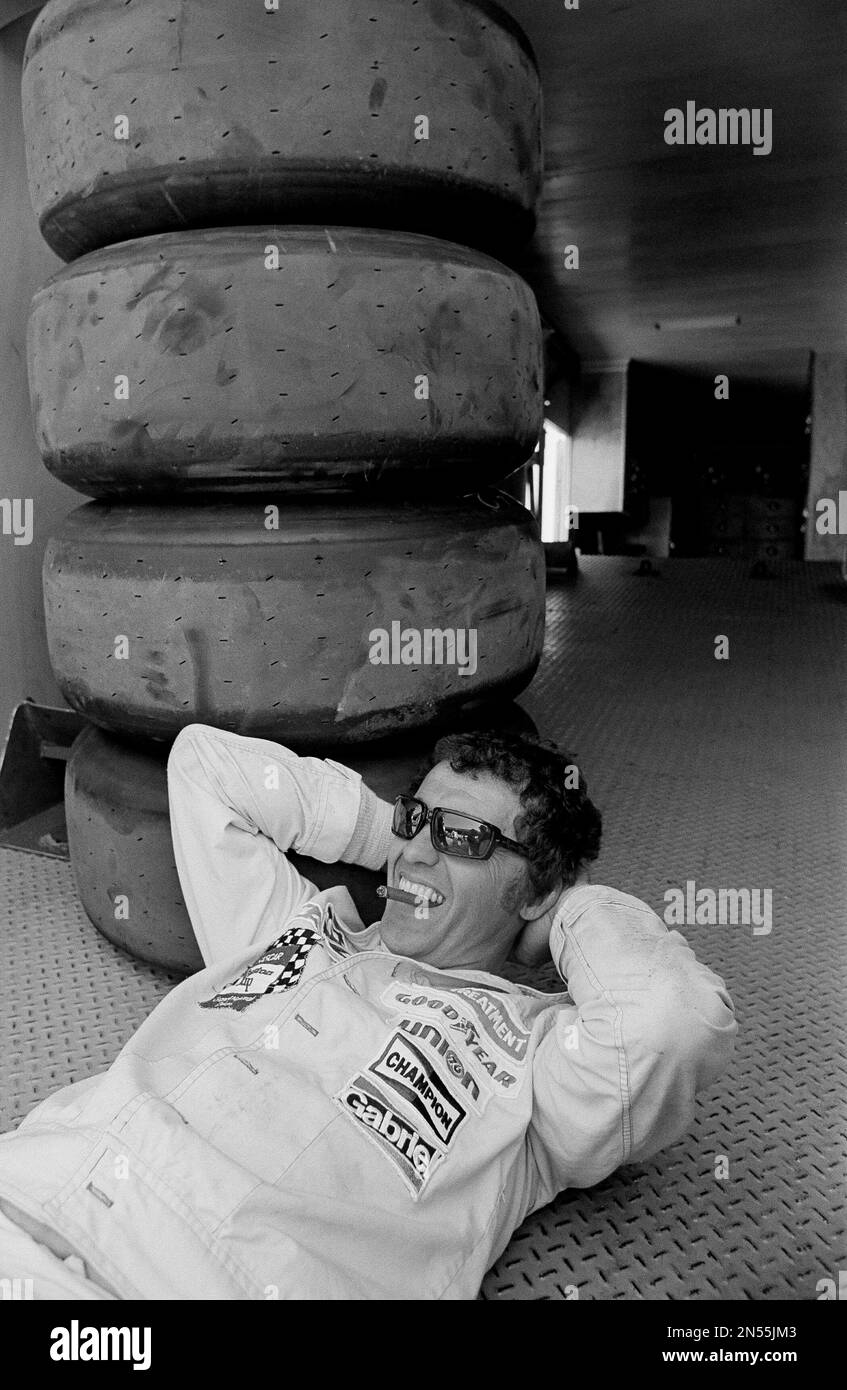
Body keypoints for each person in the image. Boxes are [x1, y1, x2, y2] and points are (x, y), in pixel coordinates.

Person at [0, 723, 736, 1300]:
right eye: (419, 820)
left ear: (539, 889)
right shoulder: (296, 930)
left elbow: (672, 1022)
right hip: (29, 1190)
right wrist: (400, 836)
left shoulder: (536, 1059)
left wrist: (566, 909)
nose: (416, 854)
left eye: (466, 838)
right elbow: (208, 765)